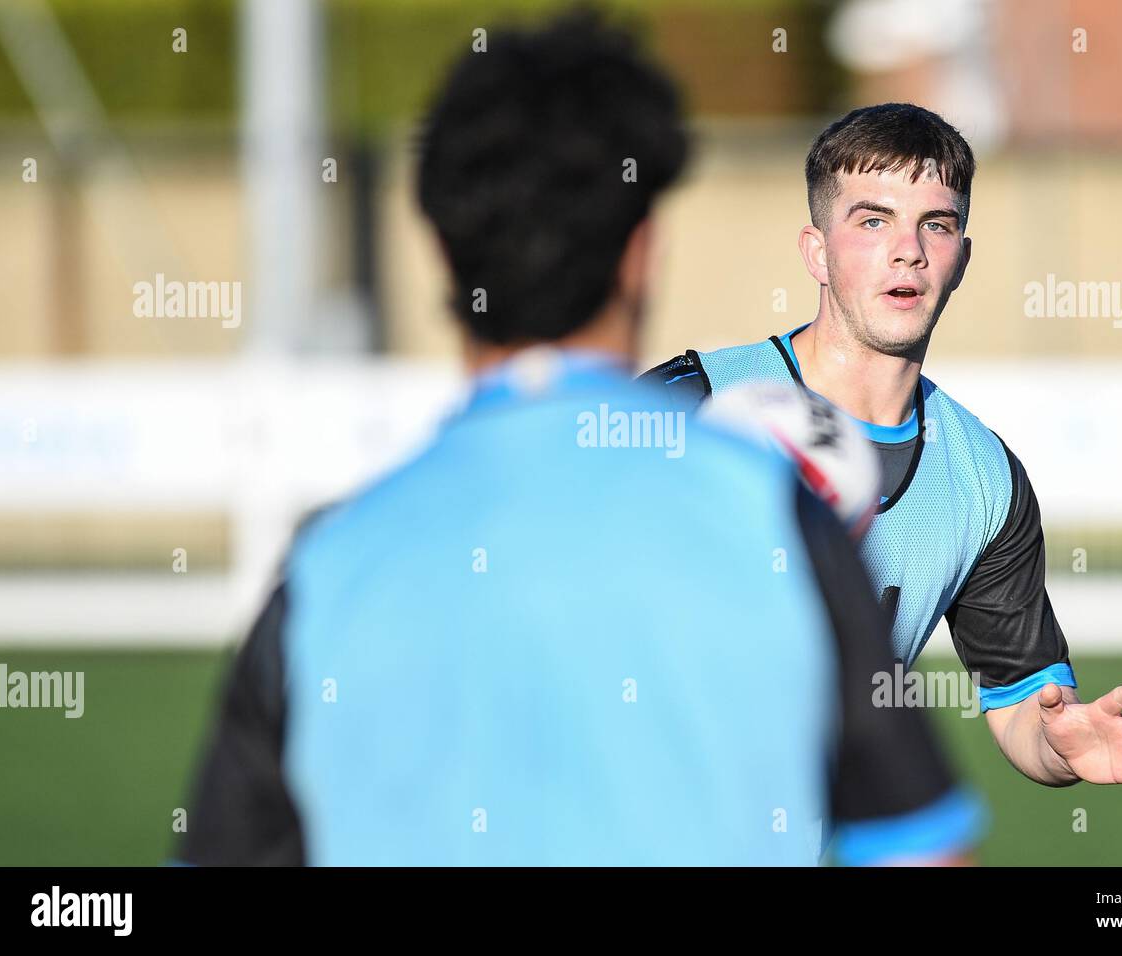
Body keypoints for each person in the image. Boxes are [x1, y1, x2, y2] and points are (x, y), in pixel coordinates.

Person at [180, 16, 980, 866]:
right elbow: (919, 851)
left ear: (444, 253)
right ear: (642, 254)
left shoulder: (329, 565)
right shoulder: (778, 520)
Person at [642, 103, 1122, 805]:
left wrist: (1057, 745)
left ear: (962, 258)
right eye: (873, 220)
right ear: (816, 251)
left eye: (938, 224)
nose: (909, 250)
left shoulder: (986, 481)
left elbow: (1021, 699)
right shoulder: (690, 406)